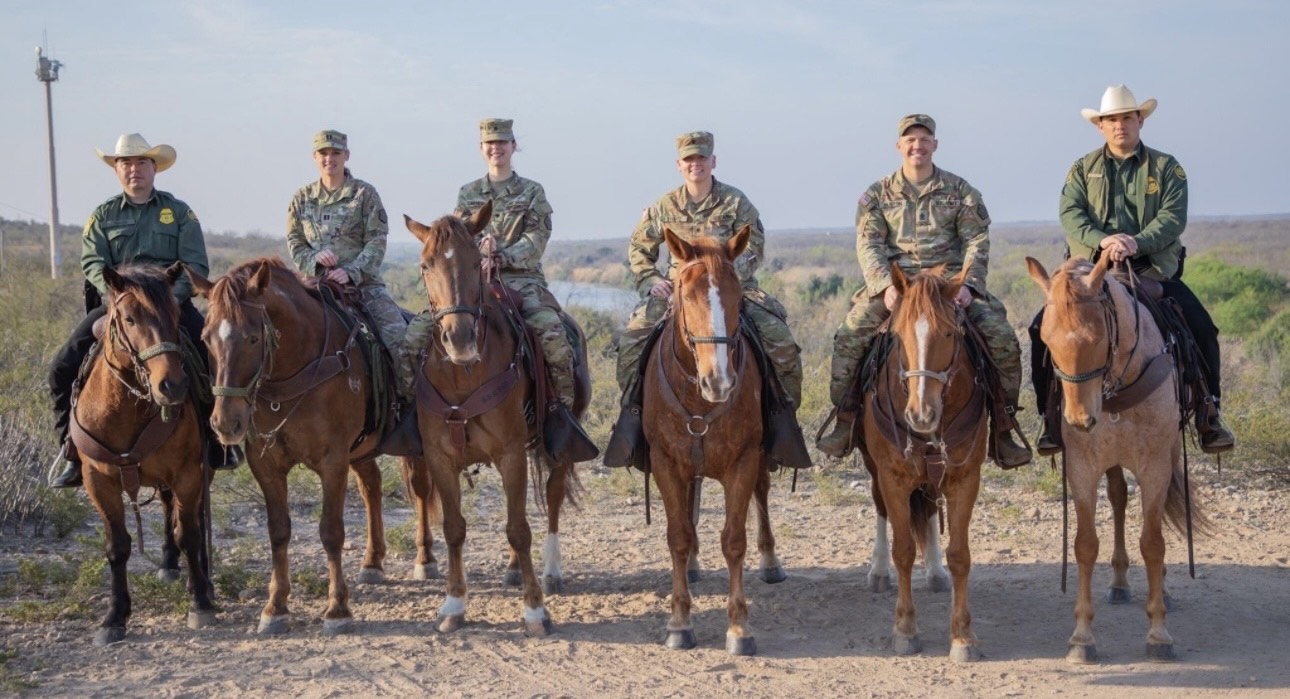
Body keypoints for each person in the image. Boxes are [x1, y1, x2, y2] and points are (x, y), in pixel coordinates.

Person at [817, 114, 1032, 468]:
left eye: (924, 139)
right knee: (851, 335)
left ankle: (1004, 427)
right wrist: (884, 286)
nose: (917, 146)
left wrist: (969, 284)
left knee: (1001, 338)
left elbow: (976, 240)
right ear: (899, 146)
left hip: (947, 287)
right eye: (910, 140)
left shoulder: (961, 192)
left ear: (935, 145)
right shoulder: (877, 195)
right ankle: (846, 419)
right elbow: (869, 243)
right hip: (899, 286)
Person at [1031, 85, 1235, 454]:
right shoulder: (1082, 169)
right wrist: (1104, 240)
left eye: (1127, 117)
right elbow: (1071, 215)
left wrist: (1134, 242)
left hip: (1151, 268)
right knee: (1039, 329)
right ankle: (1049, 418)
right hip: (1092, 273)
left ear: (1140, 120)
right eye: (1112, 119)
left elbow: (1172, 218)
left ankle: (1209, 413)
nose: (1119, 125)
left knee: (1202, 327)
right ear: (1100, 126)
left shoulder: (1167, 167)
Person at [48, 133, 238, 488]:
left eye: (141, 162)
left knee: (213, 360)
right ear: (117, 170)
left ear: (154, 168)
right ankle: (72, 451)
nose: (134, 169)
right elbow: (93, 263)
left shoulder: (179, 213)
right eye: (126, 163)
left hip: (170, 306)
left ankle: (217, 443)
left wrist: (167, 300)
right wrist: (120, 297)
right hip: (120, 308)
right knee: (61, 368)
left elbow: (195, 263)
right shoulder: (102, 216)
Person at [605, 130, 805, 466]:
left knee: (780, 340)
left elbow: (754, 245)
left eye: (701, 158)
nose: (695, 164)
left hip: (730, 287)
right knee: (632, 341)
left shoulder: (736, 202)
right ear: (679, 165)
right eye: (689, 159)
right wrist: (651, 281)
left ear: (713, 161)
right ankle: (634, 420)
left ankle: (781, 422)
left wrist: (726, 278)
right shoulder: (663, 206)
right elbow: (639, 248)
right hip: (678, 290)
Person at [403, 117, 595, 460]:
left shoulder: (532, 192)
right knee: (415, 335)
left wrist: (502, 254)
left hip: (523, 280)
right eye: (490, 144)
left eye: (502, 142)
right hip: (472, 283)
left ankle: (560, 415)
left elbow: (537, 238)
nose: (496, 149)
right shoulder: (468, 193)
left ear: (513, 147)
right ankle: (408, 414)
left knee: (553, 336)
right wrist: (475, 254)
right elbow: (456, 240)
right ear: (482, 149)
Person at [286, 129, 412, 417]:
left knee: (400, 341)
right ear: (314, 157)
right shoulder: (301, 198)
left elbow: (377, 240)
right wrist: (314, 260)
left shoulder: (364, 194)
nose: (329, 158)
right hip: (314, 287)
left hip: (363, 287)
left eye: (335, 153)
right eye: (323, 153)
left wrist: (351, 271)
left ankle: (407, 411)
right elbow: (295, 241)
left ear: (346, 155)